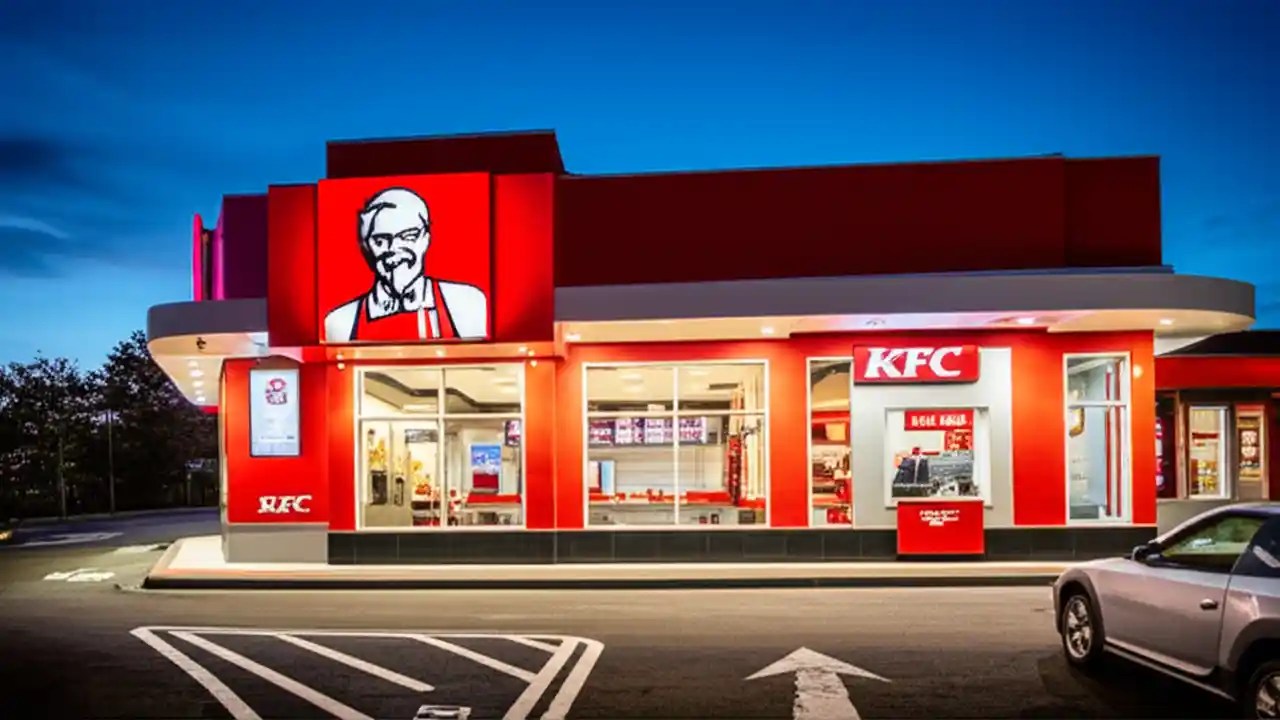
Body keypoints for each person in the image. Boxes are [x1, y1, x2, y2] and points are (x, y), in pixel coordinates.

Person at [324, 187, 488, 342]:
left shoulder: (467, 302)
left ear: (425, 239)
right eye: (381, 241)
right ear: (366, 246)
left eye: (408, 237)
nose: (394, 248)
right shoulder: (341, 321)